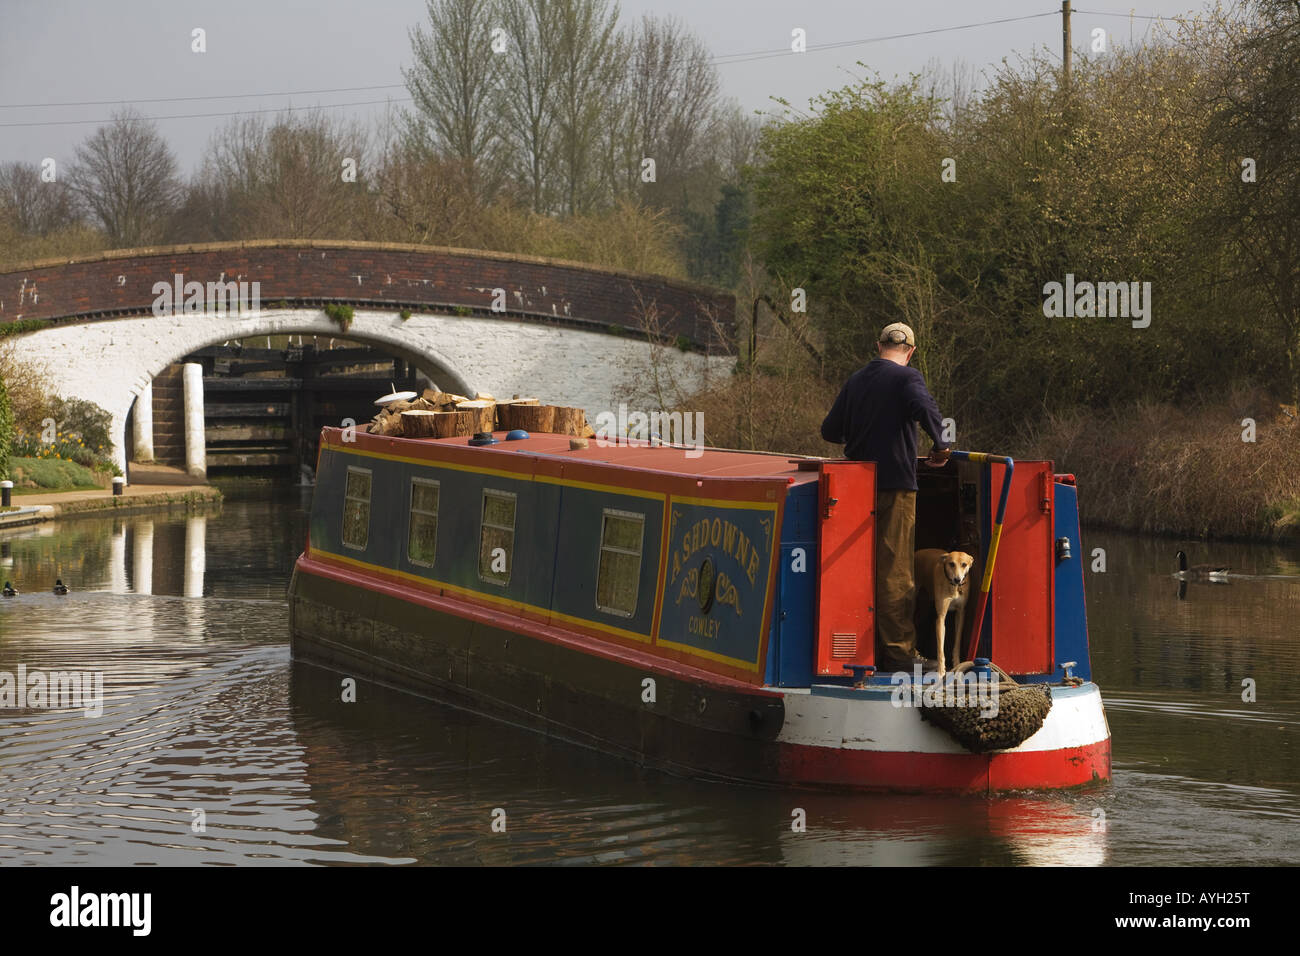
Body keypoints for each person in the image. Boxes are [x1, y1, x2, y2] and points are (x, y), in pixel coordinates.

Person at [820, 322, 951, 671]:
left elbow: (830, 430)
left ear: (878, 345)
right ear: (911, 351)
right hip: (895, 486)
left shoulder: (857, 380)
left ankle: (849, 651)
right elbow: (927, 411)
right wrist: (941, 446)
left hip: (853, 487)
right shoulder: (908, 379)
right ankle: (899, 654)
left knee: (855, 567)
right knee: (895, 571)